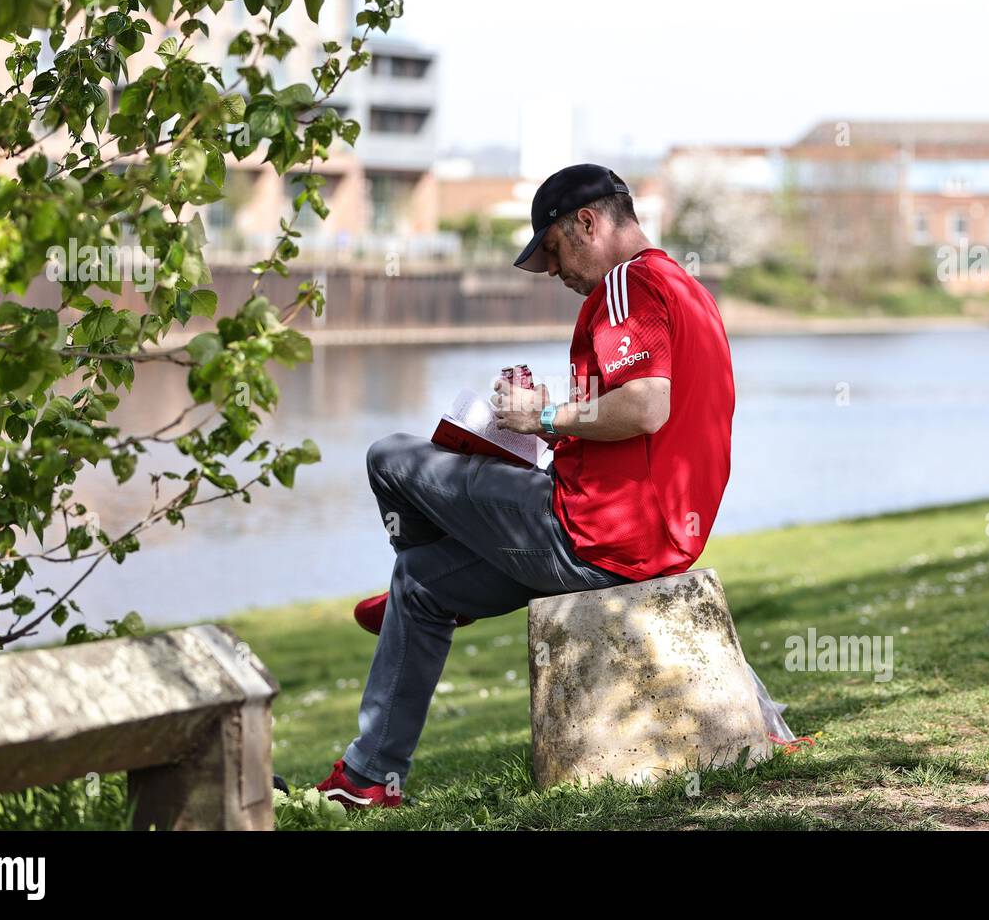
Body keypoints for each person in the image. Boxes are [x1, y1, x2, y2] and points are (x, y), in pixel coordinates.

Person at [312, 164, 735, 809]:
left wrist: (539, 418)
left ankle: (450, 583)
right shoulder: (687, 290)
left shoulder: (627, 282)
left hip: (598, 537)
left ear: (587, 223)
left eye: (556, 253)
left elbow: (647, 406)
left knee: (391, 456)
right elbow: (649, 428)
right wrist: (554, 428)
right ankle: (370, 776)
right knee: (420, 586)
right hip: (656, 537)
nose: (556, 274)